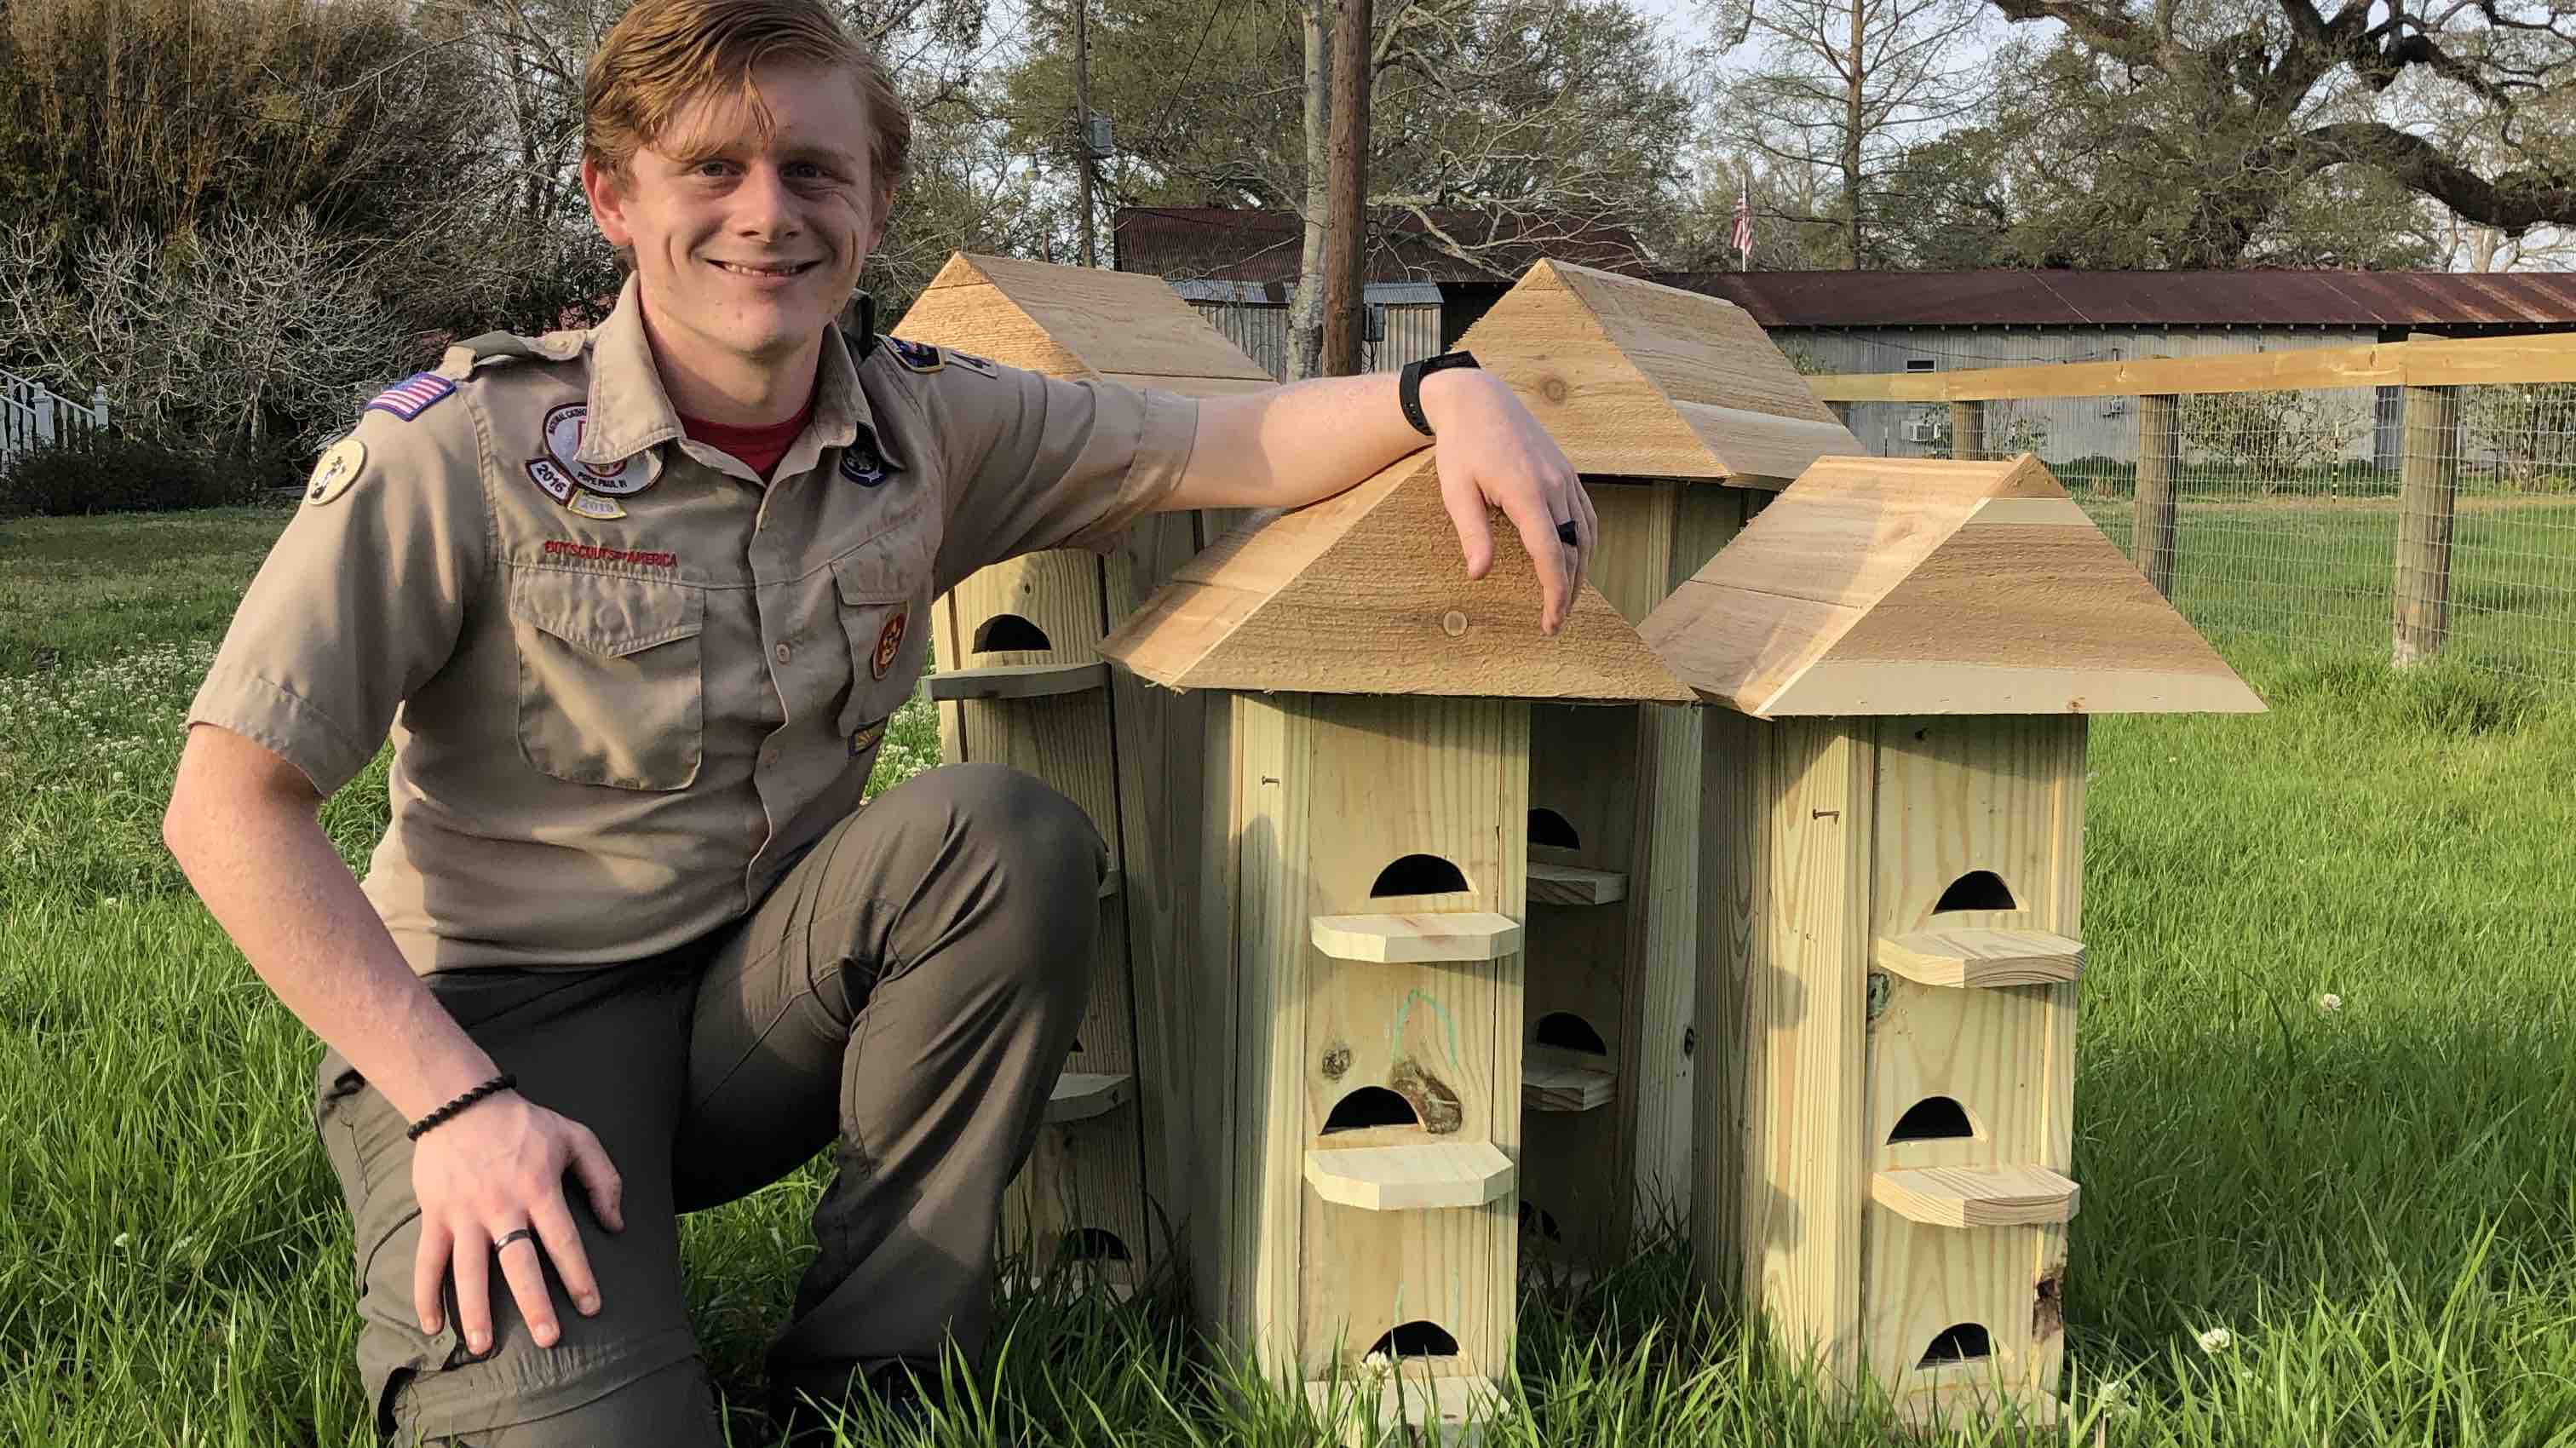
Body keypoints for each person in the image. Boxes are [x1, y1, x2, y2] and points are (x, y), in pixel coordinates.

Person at [160, 0, 1597, 1440]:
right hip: (495, 1036)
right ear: (613, 197)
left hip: (750, 1011)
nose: (765, 215)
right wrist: (451, 1109)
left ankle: (874, 1378)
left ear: (876, 198)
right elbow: (227, 805)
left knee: (997, 839)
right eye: (710, 169)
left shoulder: (927, 428)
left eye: (813, 170)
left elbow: (1217, 442)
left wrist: (1442, 389)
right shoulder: (456, 453)